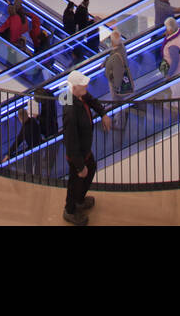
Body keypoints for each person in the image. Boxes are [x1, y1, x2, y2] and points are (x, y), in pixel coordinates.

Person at [61, 70, 110, 225]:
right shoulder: (70, 110)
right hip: (78, 155)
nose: (86, 87)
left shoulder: (80, 96)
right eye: (83, 85)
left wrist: (103, 114)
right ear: (74, 88)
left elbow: (92, 100)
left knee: (90, 171)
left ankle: (79, 200)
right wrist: (80, 165)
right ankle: (70, 211)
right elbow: (71, 141)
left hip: (85, 150)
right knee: (75, 181)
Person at [161, 15, 180, 97]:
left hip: (177, 70)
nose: (166, 30)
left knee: (176, 88)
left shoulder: (173, 45)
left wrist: (169, 75)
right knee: (179, 86)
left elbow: (175, 62)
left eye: (166, 28)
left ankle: (176, 106)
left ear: (170, 29)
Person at [104, 27, 134, 108]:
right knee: (119, 104)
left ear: (113, 42)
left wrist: (116, 87)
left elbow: (118, 73)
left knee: (118, 104)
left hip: (116, 84)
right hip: (116, 82)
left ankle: (119, 120)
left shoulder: (117, 55)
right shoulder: (119, 48)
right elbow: (111, 56)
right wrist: (105, 62)